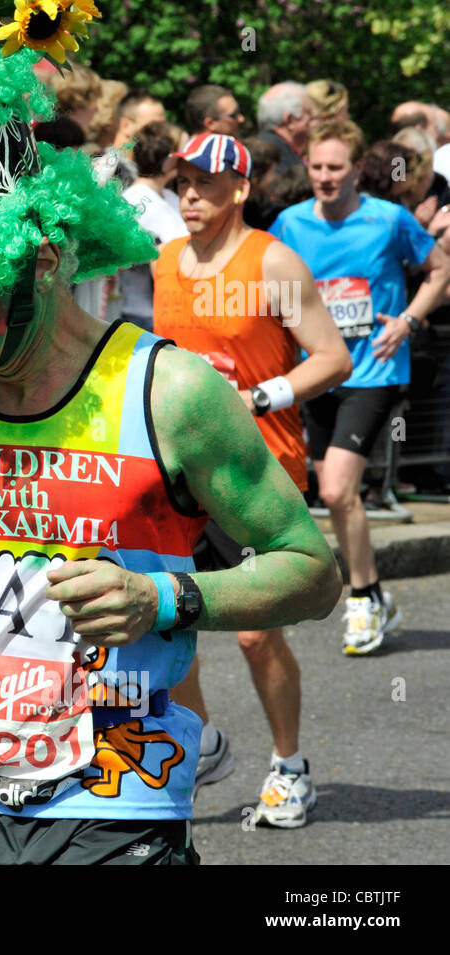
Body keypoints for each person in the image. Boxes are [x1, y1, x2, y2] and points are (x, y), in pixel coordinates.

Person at [0, 7, 341, 866]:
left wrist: (164, 599)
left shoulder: (170, 390)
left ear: (45, 264)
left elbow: (312, 570)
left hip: (114, 797)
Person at [152, 132, 351, 827]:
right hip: (178, 475)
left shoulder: (274, 260)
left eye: (205, 183)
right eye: (182, 182)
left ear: (239, 189)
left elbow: (333, 358)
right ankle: (199, 744)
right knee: (169, 616)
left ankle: (290, 764)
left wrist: (257, 397)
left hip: (259, 471)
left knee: (255, 633)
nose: (190, 196)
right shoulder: (167, 259)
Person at [271, 119, 450, 655]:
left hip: (374, 369)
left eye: (336, 168)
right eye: (317, 168)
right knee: (339, 499)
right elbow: (275, 294)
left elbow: (440, 271)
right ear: (307, 168)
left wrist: (409, 321)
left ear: (355, 171)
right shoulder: (289, 223)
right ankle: (373, 594)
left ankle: (363, 597)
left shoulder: (388, 218)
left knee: (335, 491)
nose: (326, 178)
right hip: (317, 372)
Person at [118, 121, 186, 331]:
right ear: (167, 161)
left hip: (166, 310)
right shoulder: (137, 202)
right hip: (143, 315)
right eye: (182, 153)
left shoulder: (170, 197)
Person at [255, 83, 315, 176]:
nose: (312, 118)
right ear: (290, 120)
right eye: (308, 113)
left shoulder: (257, 147)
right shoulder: (283, 163)